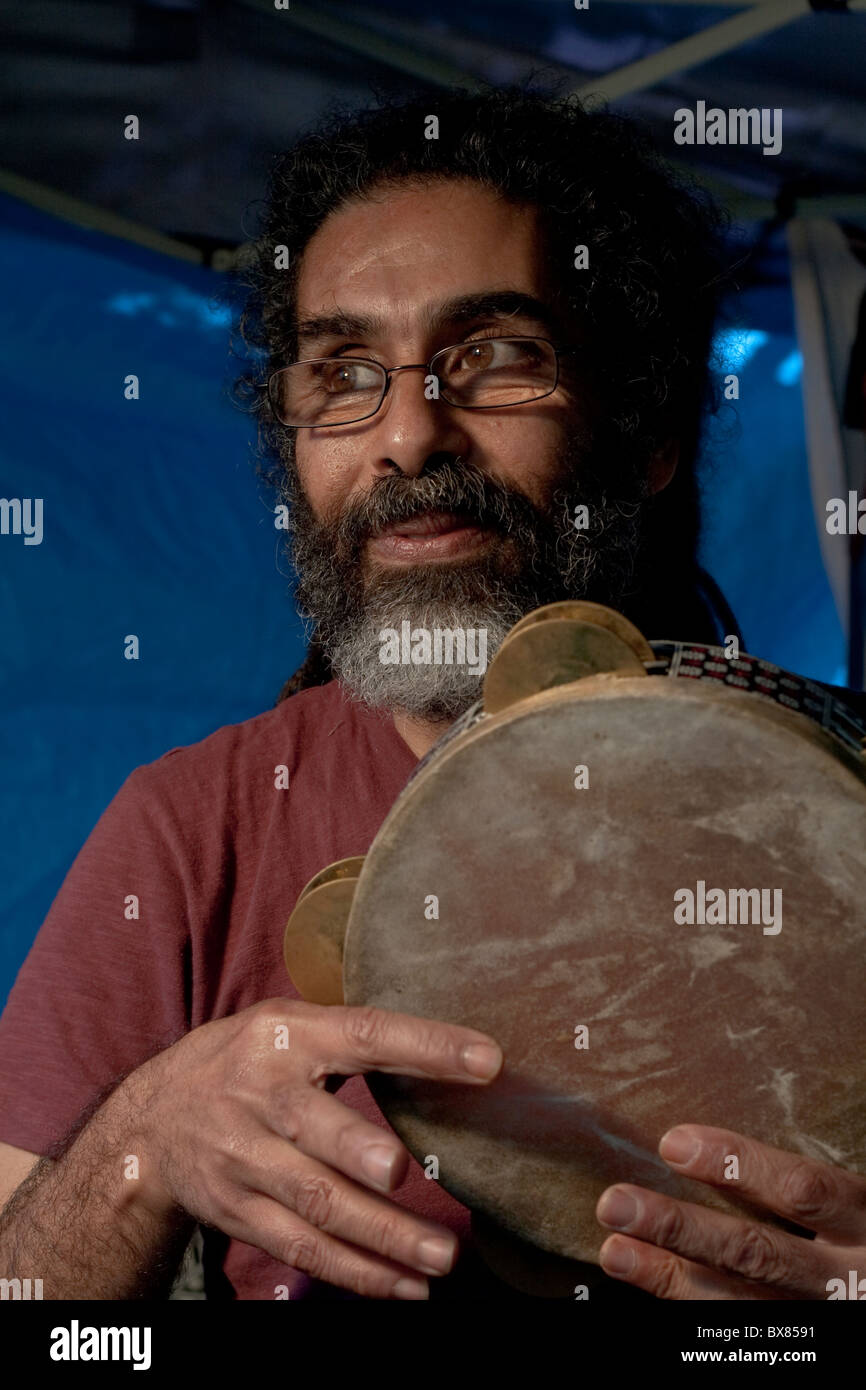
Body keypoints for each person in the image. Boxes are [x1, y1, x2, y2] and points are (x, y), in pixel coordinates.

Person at [1, 86, 864, 1303]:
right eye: (343, 372)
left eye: (496, 356)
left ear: (647, 430)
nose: (408, 432)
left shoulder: (842, 796)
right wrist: (147, 1137)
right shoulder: (194, 827)